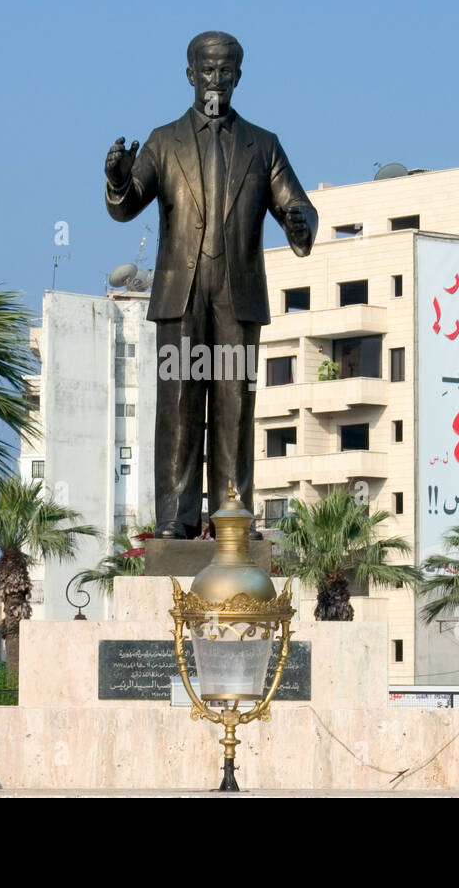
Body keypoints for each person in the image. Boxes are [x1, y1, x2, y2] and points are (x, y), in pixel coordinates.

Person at [105, 31, 317, 539]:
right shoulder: (163, 141)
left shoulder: (263, 145)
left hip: (237, 297)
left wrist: (299, 222)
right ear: (190, 75)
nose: (215, 79)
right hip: (181, 296)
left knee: (235, 408)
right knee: (177, 406)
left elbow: (298, 205)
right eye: (207, 70)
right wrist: (117, 178)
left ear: (238, 76)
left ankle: (232, 519)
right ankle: (175, 519)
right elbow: (127, 204)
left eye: (225, 70)